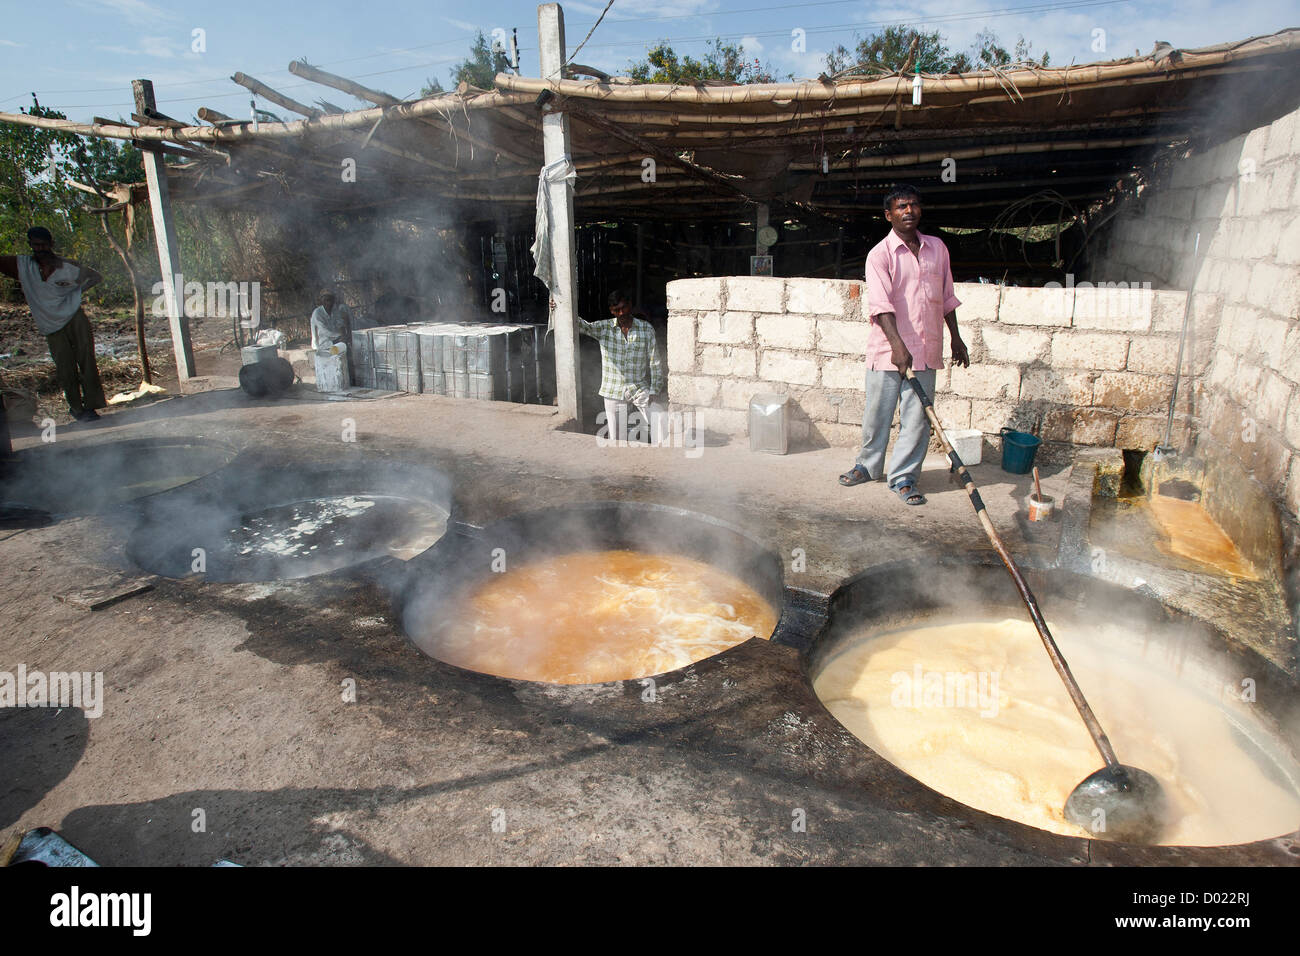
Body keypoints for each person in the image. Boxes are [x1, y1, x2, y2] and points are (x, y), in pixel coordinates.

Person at [839, 185, 970, 505]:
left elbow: (947, 298)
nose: (908, 211)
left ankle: (904, 478)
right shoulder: (879, 255)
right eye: (900, 207)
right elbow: (880, 306)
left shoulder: (937, 248)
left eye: (913, 205)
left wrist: (956, 337)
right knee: (877, 414)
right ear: (889, 215)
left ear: (920, 210)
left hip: (926, 349)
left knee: (917, 419)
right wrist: (898, 348)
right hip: (888, 350)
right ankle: (868, 466)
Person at [0, 227, 106, 422]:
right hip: (50, 323)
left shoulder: (68, 267)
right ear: (30, 245)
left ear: (51, 244)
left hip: (74, 316)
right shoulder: (23, 266)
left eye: (43, 244)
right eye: (35, 245)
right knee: (65, 367)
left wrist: (76, 292)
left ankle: (91, 406)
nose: (39, 249)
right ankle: (76, 408)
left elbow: (96, 277)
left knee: (86, 361)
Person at [579, 290, 666, 444]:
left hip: (639, 387)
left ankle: (662, 458)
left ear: (630, 305)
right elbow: (580, 325)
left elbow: (655, 362)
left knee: (660, 423)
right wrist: (557, 309)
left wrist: (655, 390)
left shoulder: (646, 329)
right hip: (613, 389)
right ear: (611, 311)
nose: (621, 313)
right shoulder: (604, 328)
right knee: (616, 439)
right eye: (616, 310)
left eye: (624, 307)